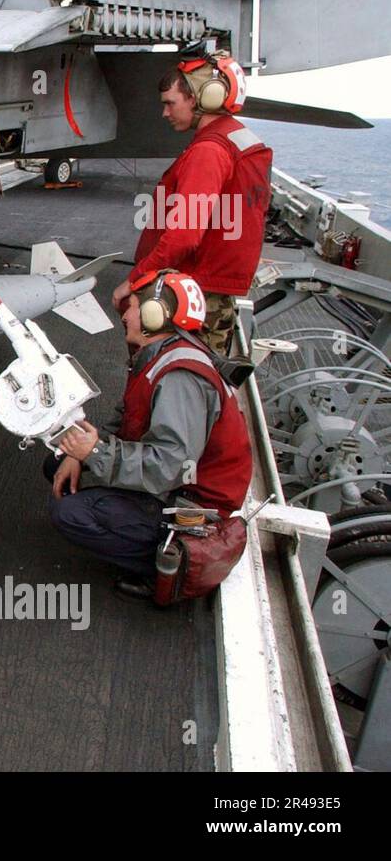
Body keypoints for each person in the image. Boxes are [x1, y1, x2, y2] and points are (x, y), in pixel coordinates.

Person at [51, 270, 253, 599]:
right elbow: (129, 417)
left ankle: (169, 565)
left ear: (153, 315)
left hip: (191, 505)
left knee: (71, 513)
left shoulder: (180, 378)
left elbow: (169, 466)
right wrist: (77, 453)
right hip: (177, 485)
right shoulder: (163, 355)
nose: (125, 315)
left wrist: (95, 453)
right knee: (57, 463)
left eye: (131, 307)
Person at [110, 48, 273, 356]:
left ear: (202, 97)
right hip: (211, 287)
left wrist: (133, 282)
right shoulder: (233, 138)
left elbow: (183, 236)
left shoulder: (209, 151)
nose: (165, 113)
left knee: (176, 372)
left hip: (193, 290)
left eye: (170, 103)